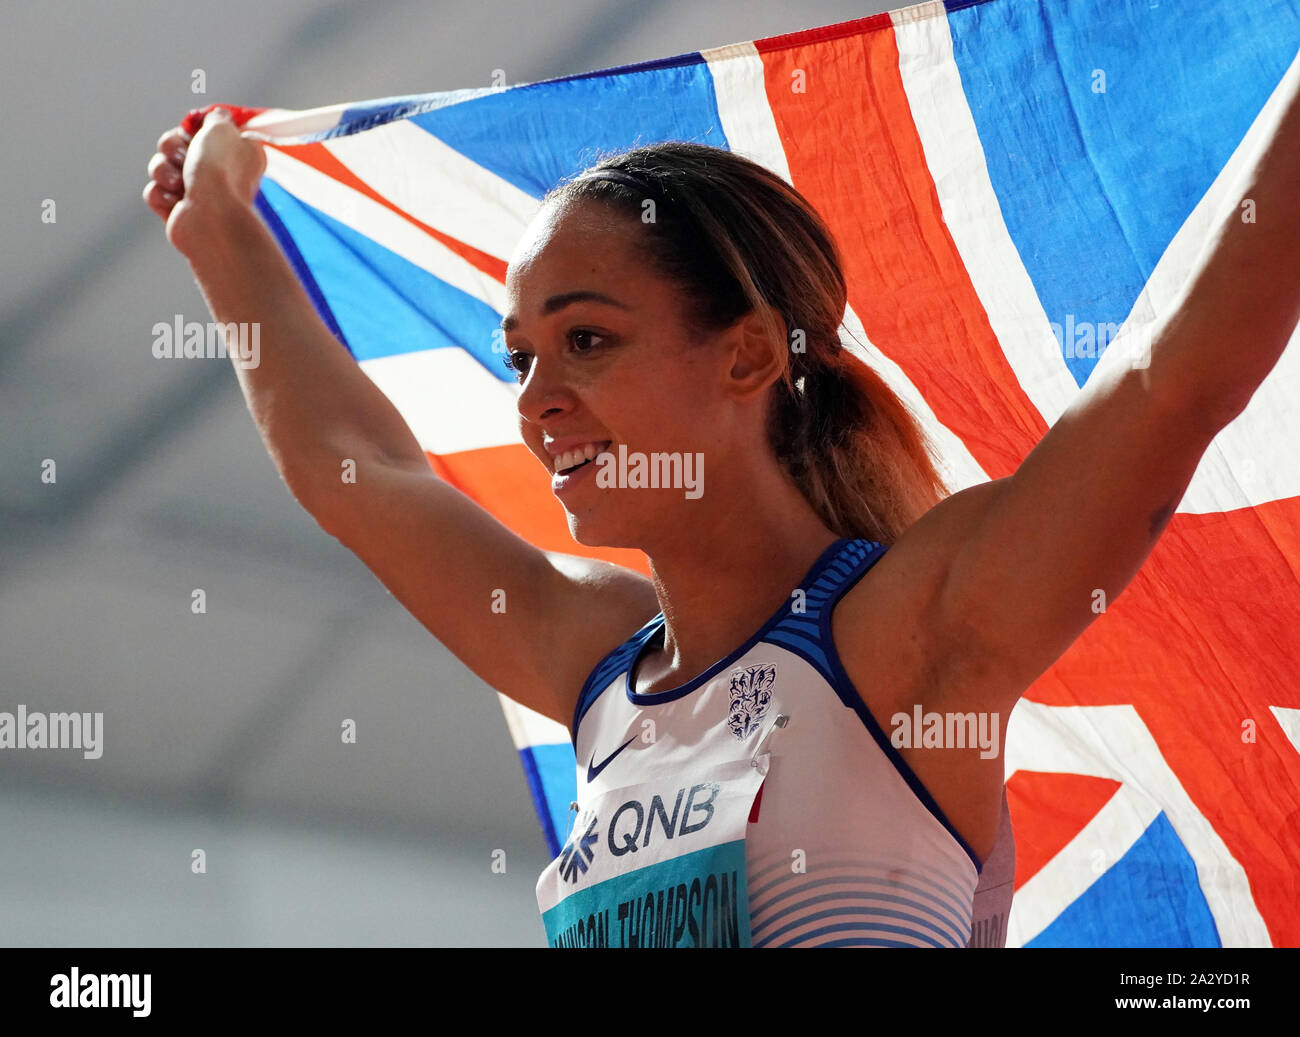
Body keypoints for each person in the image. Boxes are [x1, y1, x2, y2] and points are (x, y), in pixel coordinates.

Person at [143, 72, 1299, 946]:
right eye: (521, 359)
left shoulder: (905, 639)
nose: (538, 402)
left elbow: (1170, 381)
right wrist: (219, 231)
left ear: (747, 356)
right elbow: (362, 476)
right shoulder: (592, 658)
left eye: (585, 341)